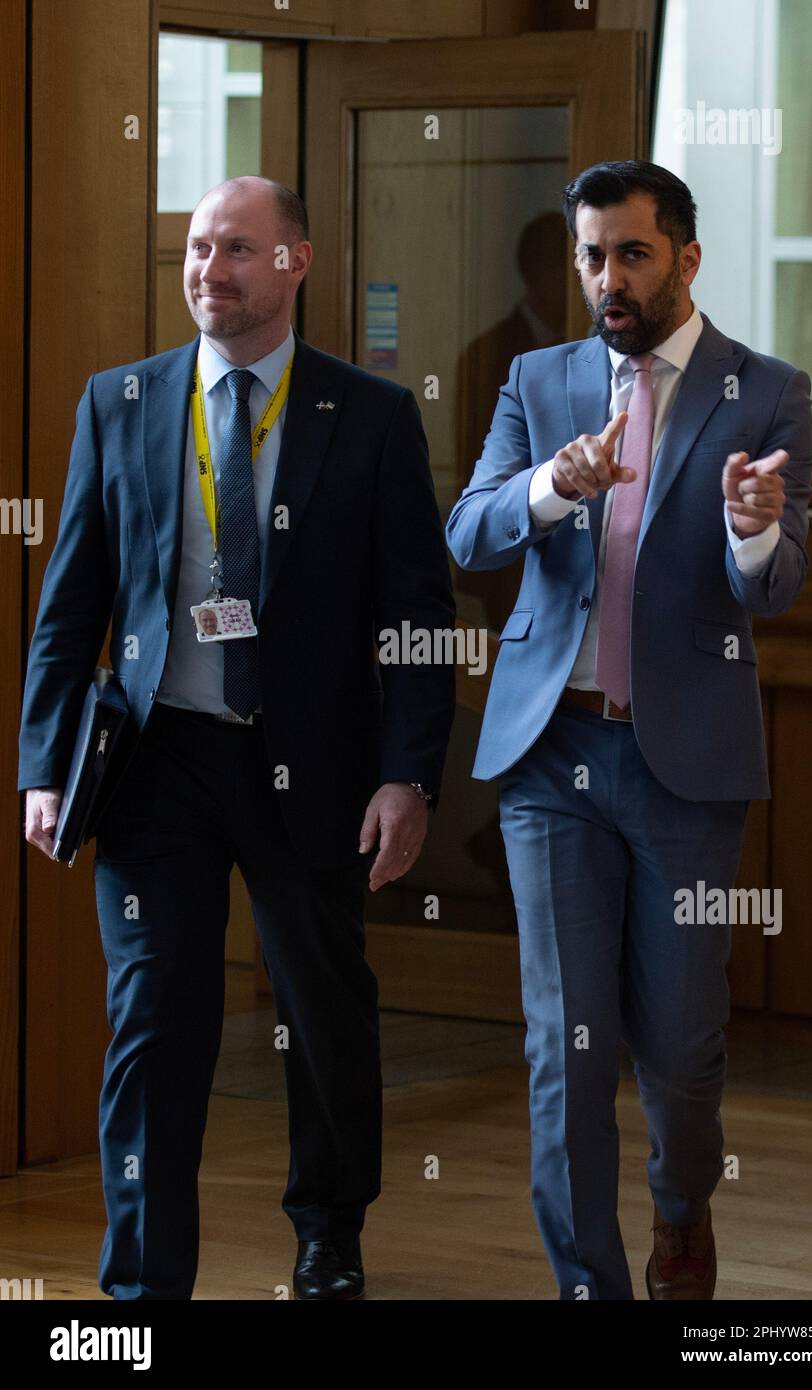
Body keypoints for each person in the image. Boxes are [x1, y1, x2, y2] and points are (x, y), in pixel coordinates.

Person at [20, 176, 455, 1301]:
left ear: (294, 264)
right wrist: (38, 767)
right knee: (154, 1019)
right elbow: (73, 602)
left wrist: (408, 775)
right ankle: (143, 1285)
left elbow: (415, 614)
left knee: (320, 1007)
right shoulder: (119, 399)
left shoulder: (366, 414)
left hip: (312, 760)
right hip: (157, 759)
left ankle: (328, 1235)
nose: (208, 270)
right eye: (197, 249)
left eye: (236, 250)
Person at [446, 160, 812, 1301]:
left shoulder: (764, 388)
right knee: (565, 1041)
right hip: (548, 758)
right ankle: (588, 1288)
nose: (607, 278)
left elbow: (773, 586)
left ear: (686, 258)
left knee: (679, 1044)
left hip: (685, 767)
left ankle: (677, 1209)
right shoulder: (538, 379)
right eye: (591, 256)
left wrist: (751, 530)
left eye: (632, 254)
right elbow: (467, 536)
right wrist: (550, 487)